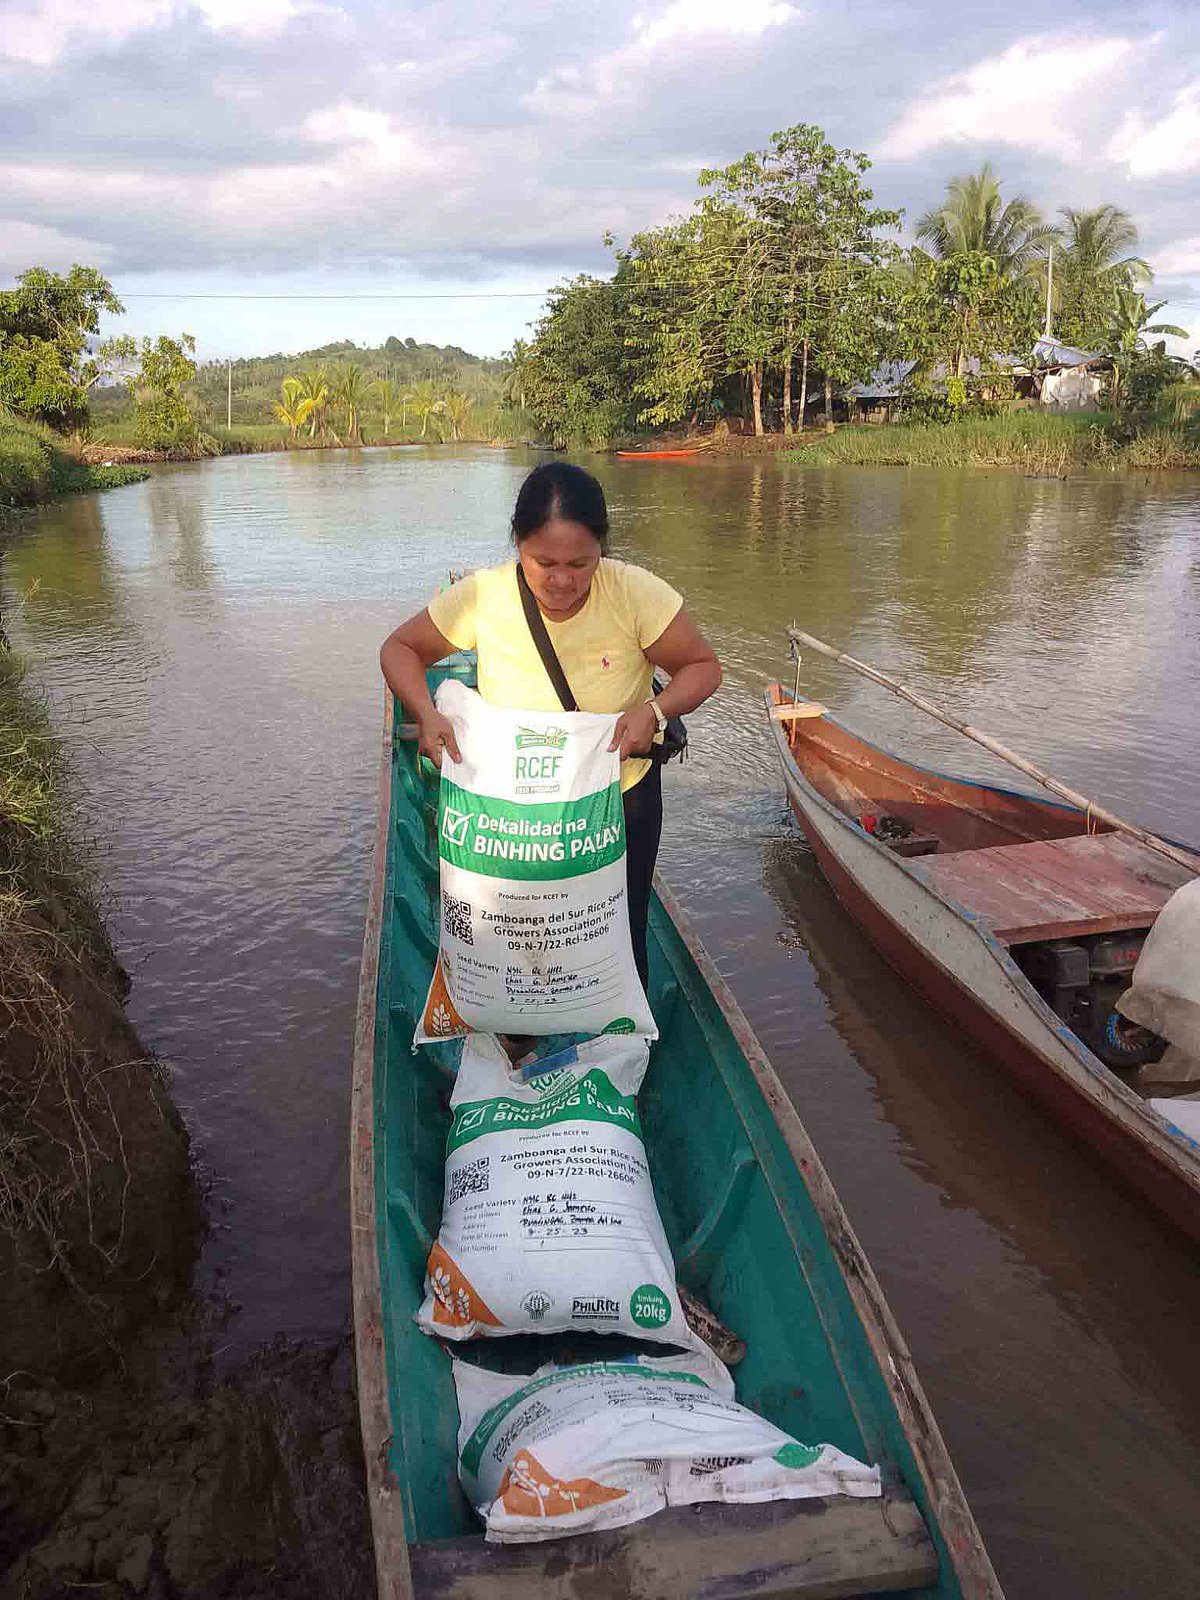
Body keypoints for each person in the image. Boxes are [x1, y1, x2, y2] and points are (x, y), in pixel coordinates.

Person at [379, 461, 721, 988]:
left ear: (602, 549)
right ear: (518, 543)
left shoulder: (635, 594)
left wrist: (652, 712)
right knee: (514, 930)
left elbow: (703, 668)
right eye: (544, 563)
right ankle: (518, 1033)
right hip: (516, 814)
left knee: (620, 928)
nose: (562, 581)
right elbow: (401, 649)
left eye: (580, 564)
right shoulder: (483, 596)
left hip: (617, 800)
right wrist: (425, 714)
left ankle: (616, 1039)